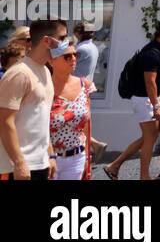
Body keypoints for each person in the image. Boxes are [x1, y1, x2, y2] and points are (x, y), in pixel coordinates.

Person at [105, 16, 160, 181]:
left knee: (151, 135)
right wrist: (156, 106)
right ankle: (144, 176)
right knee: (150, 138)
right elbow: (149, 80)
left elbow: (153, 75)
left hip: (148, 100)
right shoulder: (152, 52)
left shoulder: (157, 49)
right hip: (145, 101)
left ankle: (114, 166)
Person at [0, 19, 61, 180]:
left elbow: (41, 118)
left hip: (40, 164)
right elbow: (4, 120)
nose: (66, 44)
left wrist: (50, 155)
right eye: (61, 38)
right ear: (46, 41)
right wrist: (19, 163)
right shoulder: (19, 73)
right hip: (18, 167)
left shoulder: (46, 72)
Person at [48, 37, 94, 180]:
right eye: (67, 56)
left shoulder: (84, 85)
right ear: (51, 61)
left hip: (76, 158)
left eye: (76, 55)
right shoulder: (43, 86)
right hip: (47, 158)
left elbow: (87, 124)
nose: (73, 59)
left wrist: (87, 156)